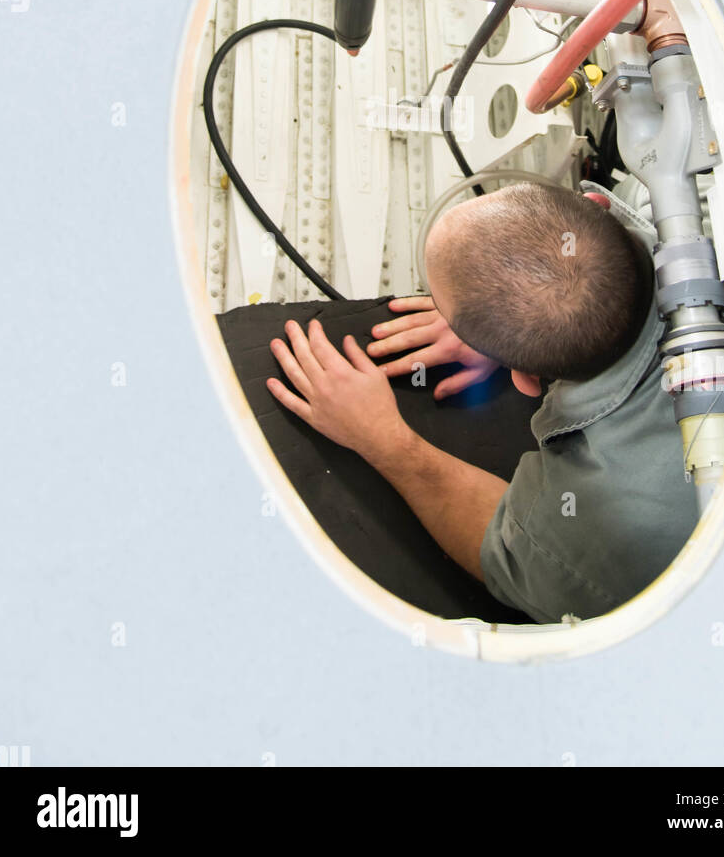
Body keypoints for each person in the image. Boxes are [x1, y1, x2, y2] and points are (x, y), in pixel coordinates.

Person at [266, 182, 698, 624]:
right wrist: (516, 317)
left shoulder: (606, 526)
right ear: (597, 203)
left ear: (526, 381)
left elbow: (509, 544)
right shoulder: (685, 187)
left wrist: (383, 439)